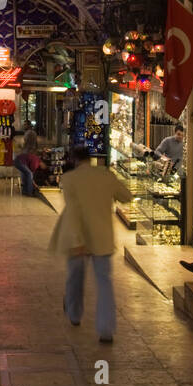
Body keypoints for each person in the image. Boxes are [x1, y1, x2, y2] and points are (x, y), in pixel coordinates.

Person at [49, 146, 132, 343]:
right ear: (90, 159)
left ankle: (74, 313)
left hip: (77, 237)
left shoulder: (69, 180)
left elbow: (74, 211)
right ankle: (106, 329)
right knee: (104, 283)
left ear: (75, 160)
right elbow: (126, 196)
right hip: (102, 237)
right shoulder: (106, 176)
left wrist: (77, 241)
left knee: (75, 279)